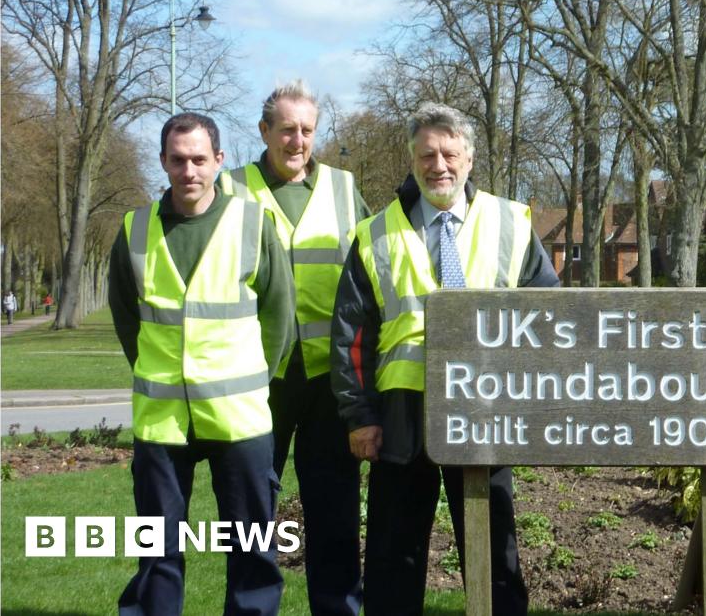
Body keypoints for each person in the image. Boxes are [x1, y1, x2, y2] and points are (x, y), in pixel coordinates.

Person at [330, 102, 558, 615]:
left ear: (469, 158)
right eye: (427, 154)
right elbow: (351, 337)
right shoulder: (374, 234)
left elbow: (550, 320)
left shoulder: (512, 222)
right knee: (394, 552)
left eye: (449, 153)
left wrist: (535, 406)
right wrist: (360, 416)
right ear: (412, 160)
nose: (439, 165)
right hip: (402, 414)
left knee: (494, 547)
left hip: (487, 409)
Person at [108, 112, 295, 616]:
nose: (188, 170)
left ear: (219, 160)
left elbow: (279, 316)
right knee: (157, 550)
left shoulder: (254, 224)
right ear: (163, 162)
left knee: (252, 548)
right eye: (177, 160)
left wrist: (254, 379)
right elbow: (129, 320)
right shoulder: (134, 229)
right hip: (163, 422)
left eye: (198, 159)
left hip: (239, 418)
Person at [221, 80, 371, 616]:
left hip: (330, 381)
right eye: (287, 129)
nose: (297, 140)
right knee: (251, 509)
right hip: (258, 378)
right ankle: (251, 608)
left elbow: (369, 272)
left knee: (333, 510)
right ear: (264, 131)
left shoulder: (342, 187)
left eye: (307, 130)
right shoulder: (230, 188)